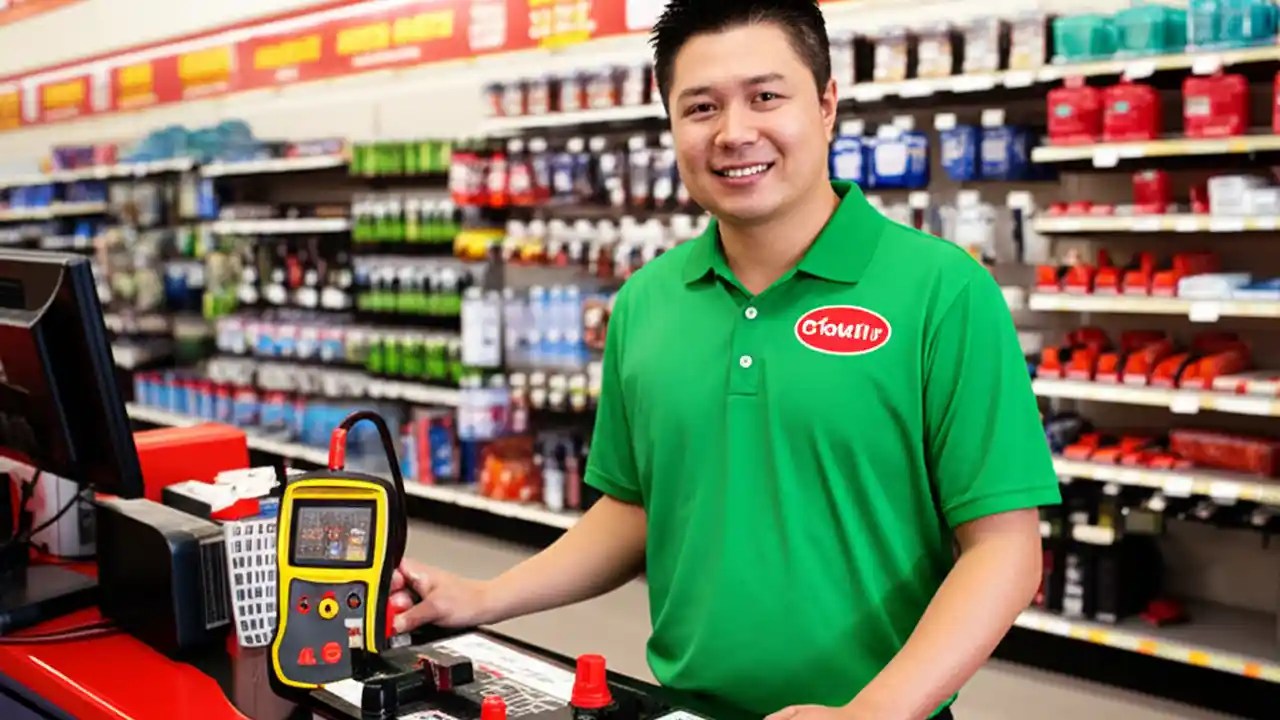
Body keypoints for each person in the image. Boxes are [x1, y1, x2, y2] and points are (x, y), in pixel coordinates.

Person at [390, 1, 1061, 718]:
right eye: (702, 107)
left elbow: (1005, 550)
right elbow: (638, 507)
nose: (735, 133)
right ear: (671, 123)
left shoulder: (944, 291)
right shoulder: (647, 300)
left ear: (828, 104)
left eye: (766, 96)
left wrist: (872, 713)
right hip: (681, 706)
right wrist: (485, 596)